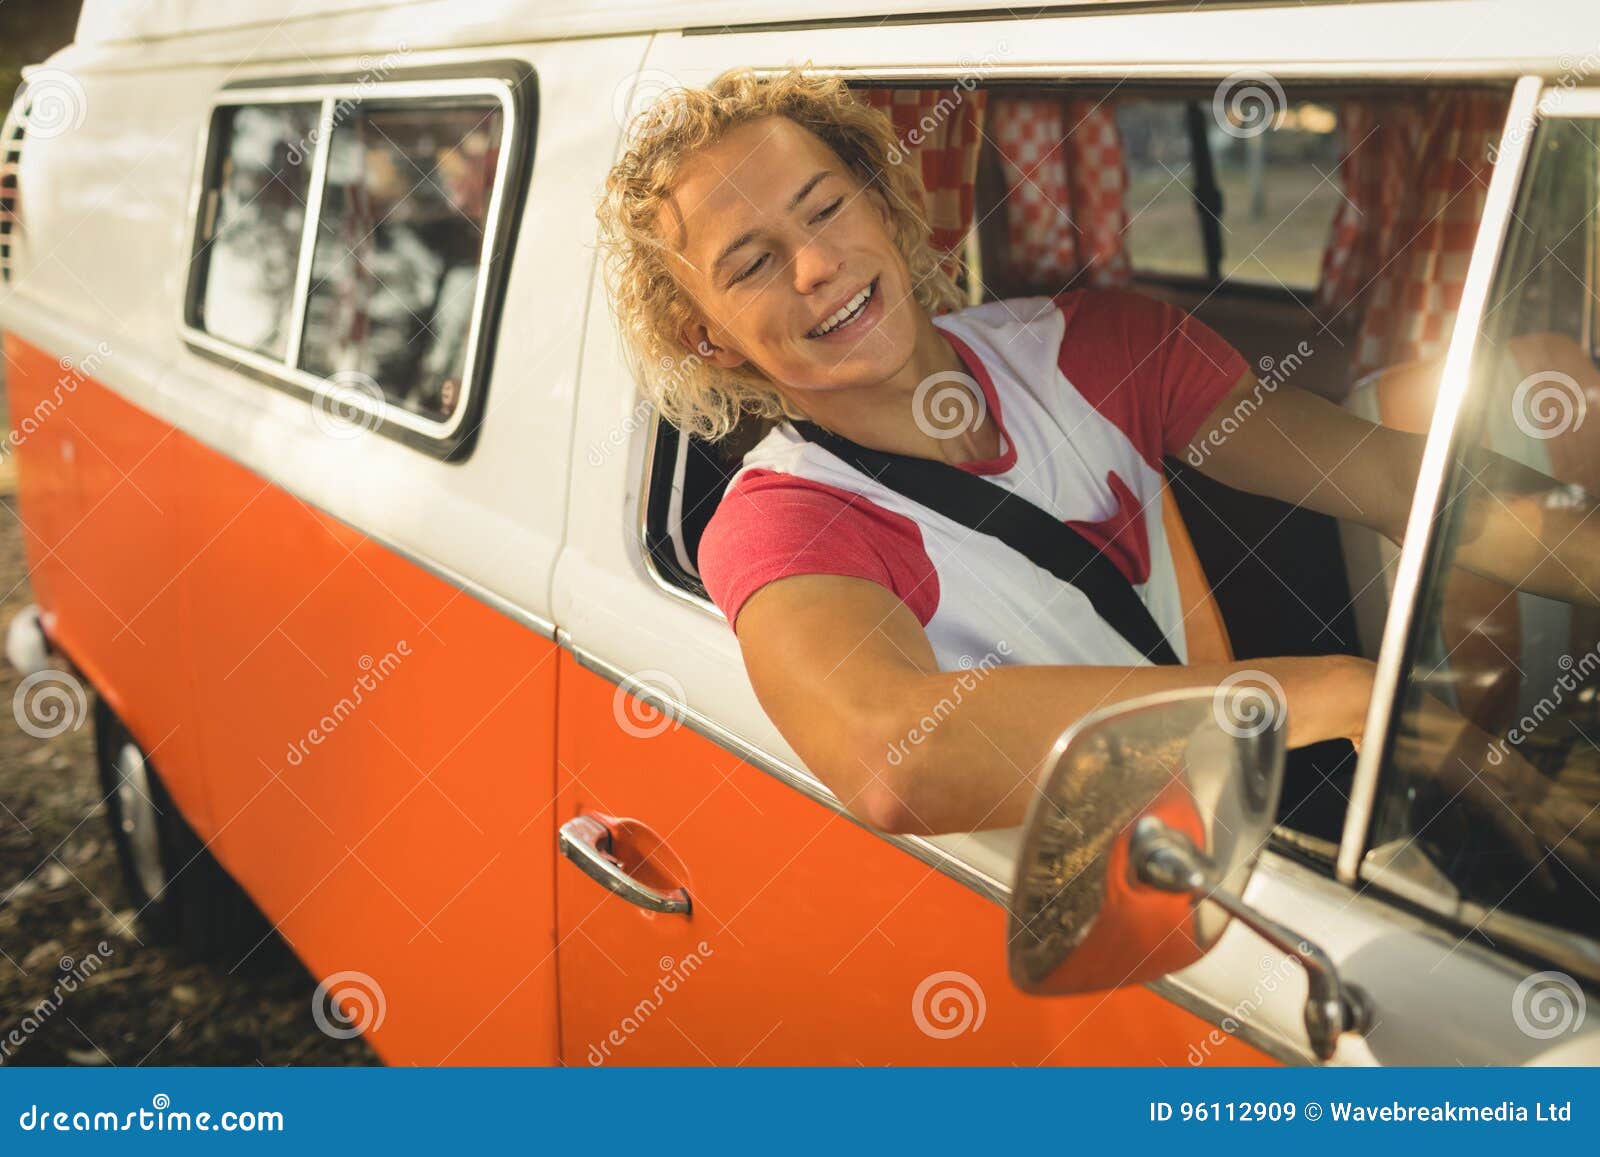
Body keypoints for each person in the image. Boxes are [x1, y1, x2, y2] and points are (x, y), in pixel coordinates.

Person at [593, 65, 1600, 844]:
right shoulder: (784, 523)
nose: (818, 266)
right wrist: (1341, 693)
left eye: (825, 207)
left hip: (1228, 817)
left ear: (882, 205)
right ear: (708, 337)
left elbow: (1392, 479)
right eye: (754, 262)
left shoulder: (1099, 347)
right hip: (1107, 896)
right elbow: (894, 756)